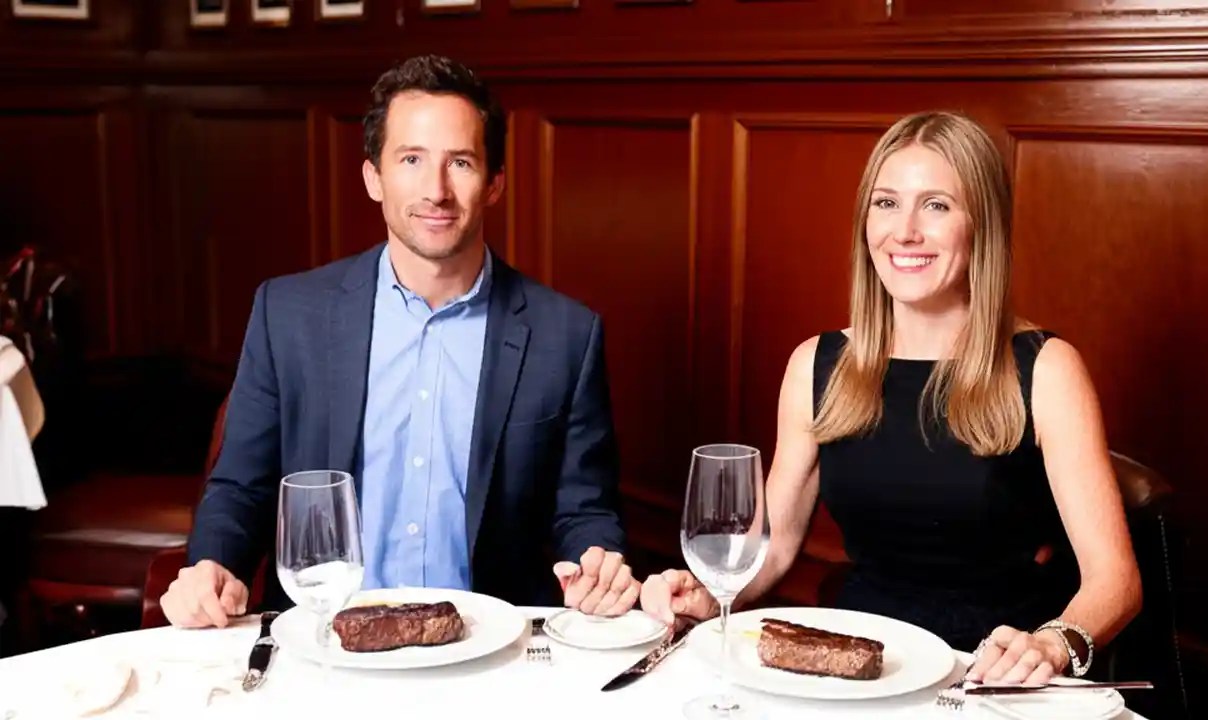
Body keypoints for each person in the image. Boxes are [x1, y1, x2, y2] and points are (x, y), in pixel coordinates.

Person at [641, 111, 1142, 686]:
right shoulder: (817, 365)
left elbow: (1116, 581)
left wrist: (1052, 645)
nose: (904, 231)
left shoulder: (1047, 369)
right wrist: (706, 593)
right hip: (860, 669)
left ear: (982, 225)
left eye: (936, 205)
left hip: (994, 679)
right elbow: (771, 552)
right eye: (886, 203)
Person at [162, 55, 640, 628]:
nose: (435, 190)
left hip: (490, 655)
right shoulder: (289, 314)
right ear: (374, 177)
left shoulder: (566, 336)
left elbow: (585, 510)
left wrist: (598, 563)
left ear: (494, 184)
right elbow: (241, 488)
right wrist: (212, 564)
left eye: (460, 162)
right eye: (411, 159)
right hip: (326, 646)